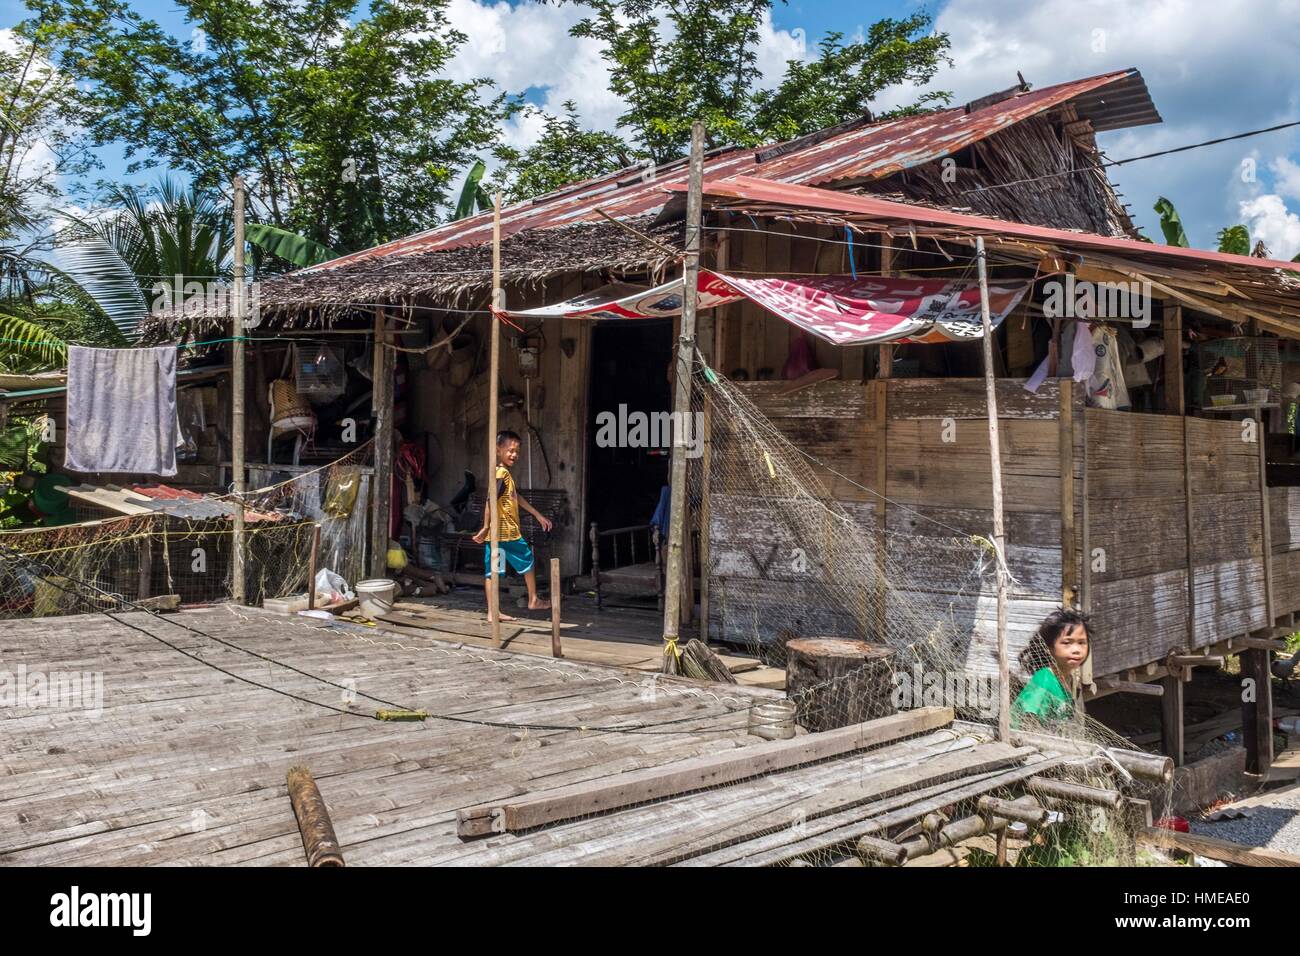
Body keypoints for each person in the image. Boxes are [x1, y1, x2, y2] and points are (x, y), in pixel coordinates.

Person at [473, 429, 552, 620]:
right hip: (507, 533)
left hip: (495, 536)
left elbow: (516, 497)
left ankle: (493, 612)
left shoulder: (502, 474)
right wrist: (484, 527)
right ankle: (533, 599)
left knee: (493, 572)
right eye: (510, 450)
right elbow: (490, 500)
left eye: (517, 451)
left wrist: (537, 515)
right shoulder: (501, 473)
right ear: (498, 449)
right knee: (528, 562)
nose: (514, 454)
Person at [1011, 607, 1091, 729]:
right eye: (1067, 643)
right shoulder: (1044, 679)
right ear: (1049, 648)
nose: (1076, 650)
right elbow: (1026, 720)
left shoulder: (1070, 678)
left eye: (1081, 643)